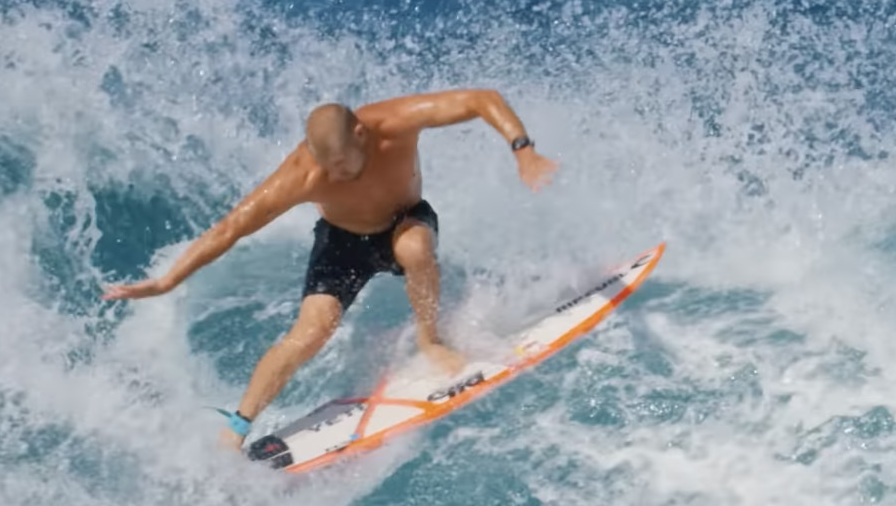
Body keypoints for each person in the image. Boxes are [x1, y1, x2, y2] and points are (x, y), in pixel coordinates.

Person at [103, 89, 559, 449]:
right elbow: (231, 228)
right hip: (341, 243)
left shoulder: (394, 123)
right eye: (326, 165)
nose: (333, 175)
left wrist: (523, 149)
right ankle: (237, 427)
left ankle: (429, 339)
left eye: (341, 163)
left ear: (361, 134)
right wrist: (168, 281)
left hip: (405, 220)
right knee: (310, 331)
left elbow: (481, 99)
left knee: (416, 248)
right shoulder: (305, 175)